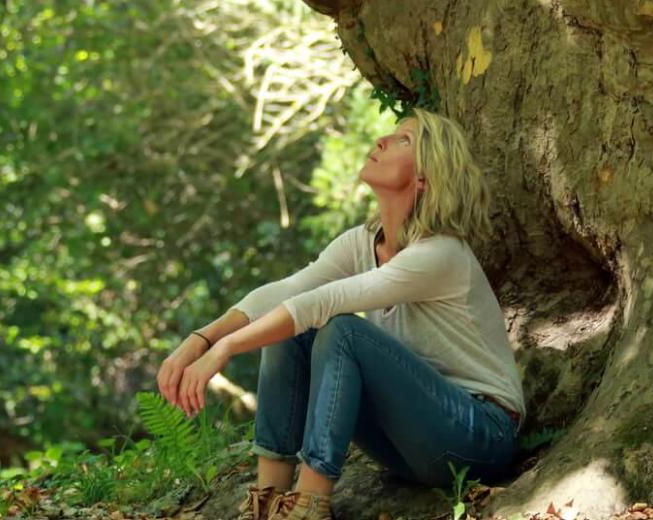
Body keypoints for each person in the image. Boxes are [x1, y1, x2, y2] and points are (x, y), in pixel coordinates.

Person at [156, 109, 525, 520]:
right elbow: (292, 291)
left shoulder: (441, 254)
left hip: (480, 437)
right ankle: (267, 501)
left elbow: (321, 304)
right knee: (287, 329)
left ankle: (310, 506)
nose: (383, 140)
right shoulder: (363, 242)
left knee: (343, 331)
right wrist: (202, 339)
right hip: (408, 443)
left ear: (424, 178)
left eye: (405, 140)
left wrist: (225, 349)